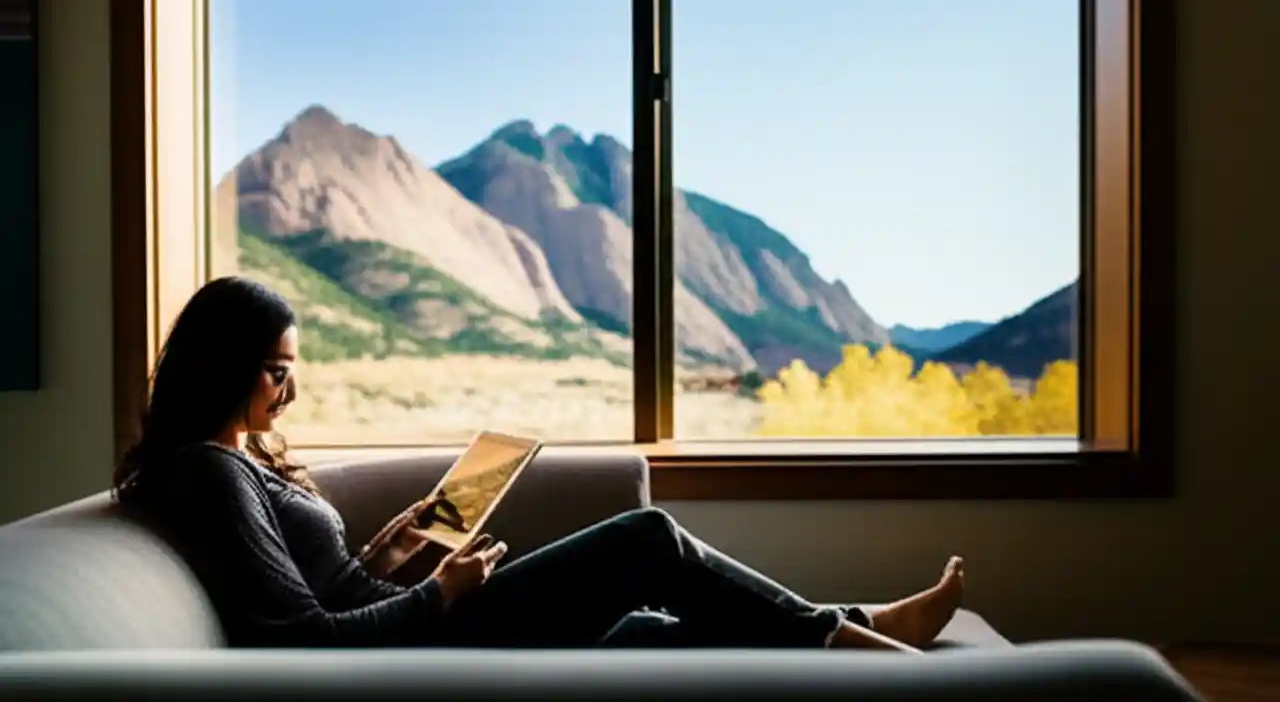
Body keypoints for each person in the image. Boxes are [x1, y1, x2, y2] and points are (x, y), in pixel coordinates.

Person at [114, 276, 965, 652]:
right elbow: (303, 641)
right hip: (420, 644)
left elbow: (324, 593)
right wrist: (440, 593)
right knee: (647, 541)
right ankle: (849, 634)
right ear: (223, 363)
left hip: (414, 621)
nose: (289, 392)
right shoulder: (210, 471)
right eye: (276, 372)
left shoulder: (231, 463)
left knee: (649, 632)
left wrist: (392, 553)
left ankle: (849, 619)